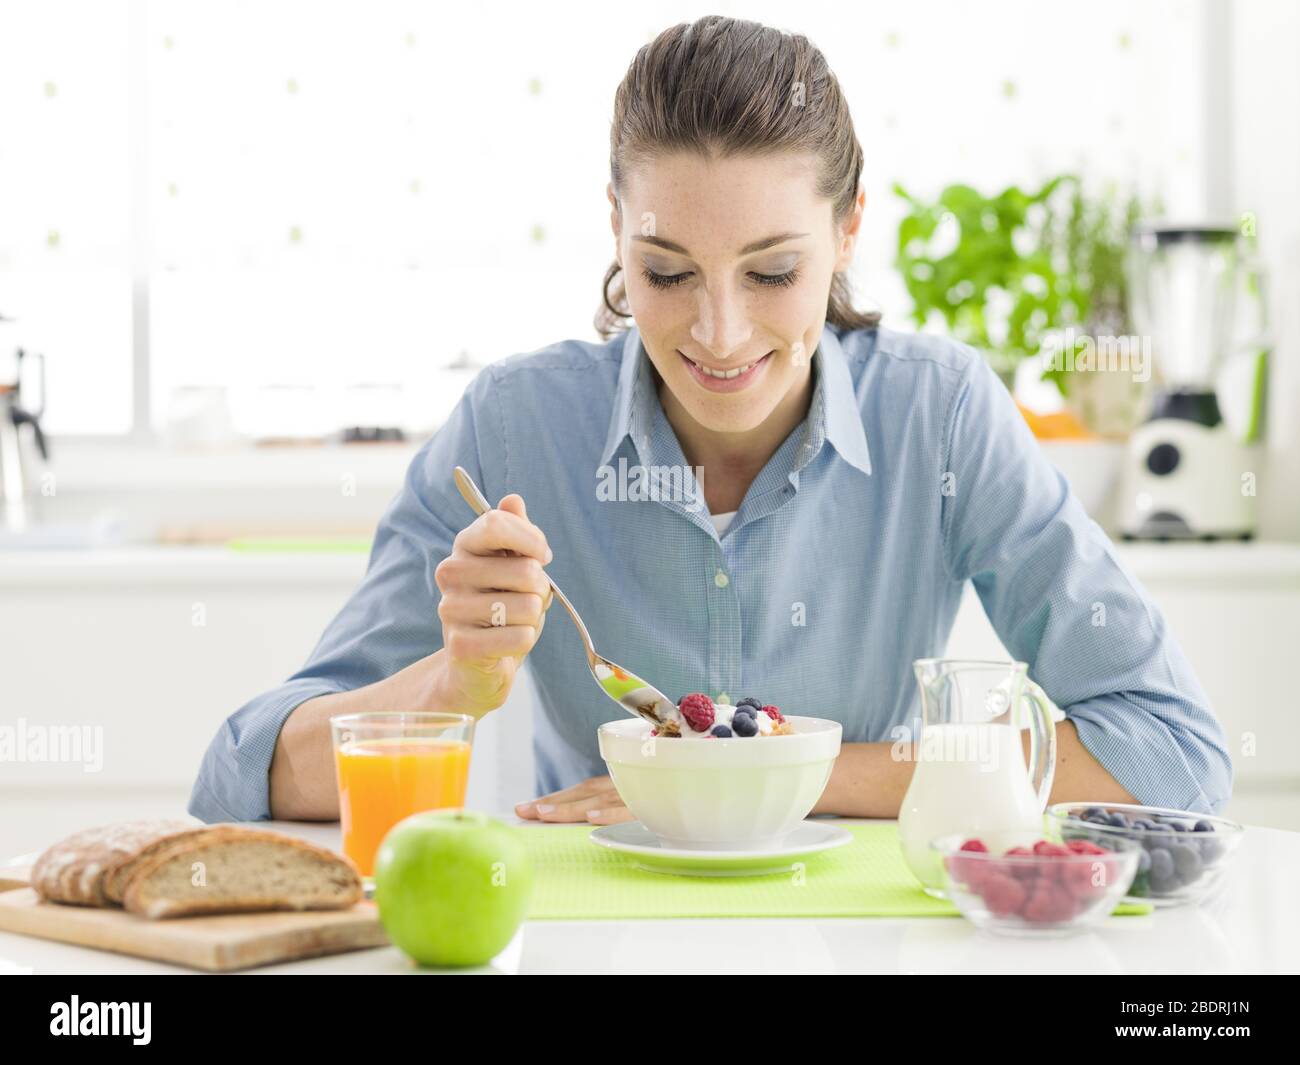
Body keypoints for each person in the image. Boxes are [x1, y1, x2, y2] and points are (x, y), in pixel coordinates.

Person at [188, 15, 1231, 827]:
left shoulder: (942, 419)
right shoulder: (516, 427)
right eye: (665, 271)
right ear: (614, 228)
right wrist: (447, 688)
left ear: (849, 225)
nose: (719, 334)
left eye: (773, 271)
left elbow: (1169, 753)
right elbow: (246, 774)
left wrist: (778, 776)